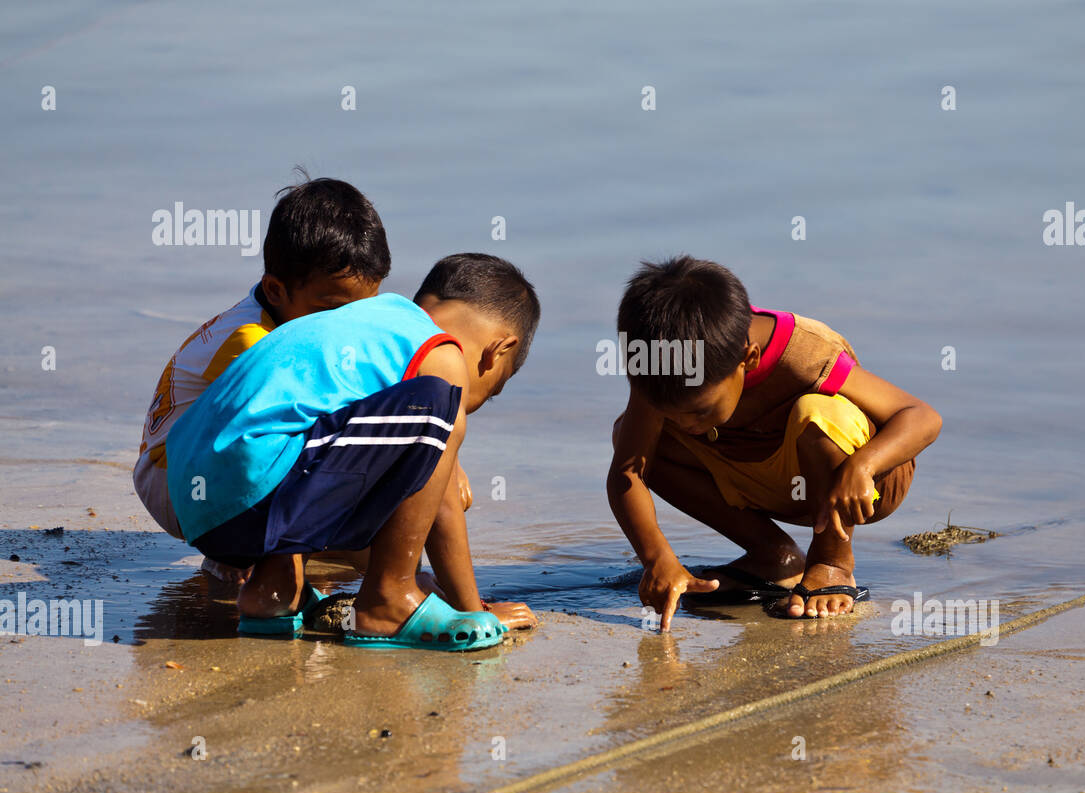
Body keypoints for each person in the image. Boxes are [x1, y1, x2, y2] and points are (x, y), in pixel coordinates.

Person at [165, 254, 541, 649]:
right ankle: (389, 599)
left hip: (198, 503)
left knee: (316, 422)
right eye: (495, 389)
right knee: (436, 407)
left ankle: (273, 591)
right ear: (497, 351)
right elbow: (444, 503)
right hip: (250, 497)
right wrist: (472, 608)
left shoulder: (371, 325)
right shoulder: (443, 359)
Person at [607, 256, 941, 630]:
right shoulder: (662, 366)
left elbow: (922, 415)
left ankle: (832, 560)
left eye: (699, 411)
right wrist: (656, 558)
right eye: (671, 413)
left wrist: (862, 467)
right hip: (761, 477)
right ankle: (775, 556)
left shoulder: (805, 354)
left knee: (818, 414)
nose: (687, 425)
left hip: (859, 485)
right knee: (630, 437)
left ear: (748, 359)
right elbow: (626, 472)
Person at [134, 176, 389, 583]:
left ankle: (267, 549)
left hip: (190, 466)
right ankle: (249, 555)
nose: (347, 329)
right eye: (332, 311)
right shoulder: (252, 340)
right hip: (174, 483)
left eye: (361, 315)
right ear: (275, 290)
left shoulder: (288, 316)